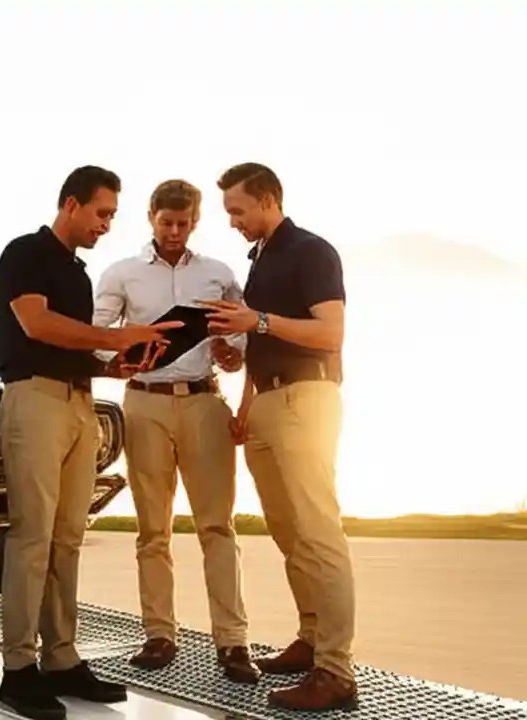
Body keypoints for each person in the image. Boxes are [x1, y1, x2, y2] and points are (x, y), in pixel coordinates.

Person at [0, 165, 183, 720]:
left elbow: (76, 345)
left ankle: (60, 658)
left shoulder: (79, 275)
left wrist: (121, 362)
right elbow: (36, 325)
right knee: (32, 535)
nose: (106, 225)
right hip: (34, 401)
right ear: (71, 204)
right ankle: (17, 670)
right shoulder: (24, 253)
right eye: (102, 213)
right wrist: (112, 336)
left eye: (112, 217)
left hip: (79, 405)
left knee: (68, 537)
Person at [200, 162, 357, 711]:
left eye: (238, 210)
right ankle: (312, 639)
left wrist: (257, 322)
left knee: (319, 534)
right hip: (266, 404)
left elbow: (329, 332)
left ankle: (336, 671)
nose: (233, 222)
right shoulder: (260, 259)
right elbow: (259, 340)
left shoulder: (312, 251)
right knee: (290, 536)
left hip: (305, 400)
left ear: (267, 200)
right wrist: (244, 399)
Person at [90, 179, 260, 684]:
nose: (174, 231)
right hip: (144, 403)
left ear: (196, 221)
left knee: (217, 526)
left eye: (184, 223)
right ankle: (159, 635)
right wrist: (127, 347)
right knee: (152, 529)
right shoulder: (121, 273)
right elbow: (99, 338)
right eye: (167, 222)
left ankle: (233, 643)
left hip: (204, 401)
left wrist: (234, 353)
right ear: (150, 217)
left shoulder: (219, 273)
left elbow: (241, 336)